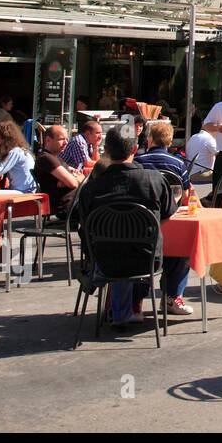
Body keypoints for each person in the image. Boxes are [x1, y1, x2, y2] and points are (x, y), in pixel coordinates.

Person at [74, 122, 193, 323]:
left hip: (103, 260)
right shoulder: (154, 181)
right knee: (180, 248)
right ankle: (170, 296)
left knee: (121, 247)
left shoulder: (90, 188)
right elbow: (168, 214)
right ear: (135, 149)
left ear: (106, 151)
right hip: (146, 260)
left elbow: (83, 225)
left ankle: (124, 306)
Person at [34, 125, 84, 219]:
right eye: (61, 139)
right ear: (48, 140)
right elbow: (73, 183)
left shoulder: (56, 158)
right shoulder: (46, 158)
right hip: (68, 206)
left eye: (67, 139)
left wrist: (67, 179)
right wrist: (71, 178)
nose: (66, 142)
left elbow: (80, 176)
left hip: (76, 202)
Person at [136, 121, 190, 190]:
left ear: (150, 138)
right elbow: (185, 193)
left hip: (143, 200)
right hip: (171, 200)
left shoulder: (137, 162)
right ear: (170, 142)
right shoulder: (179, 164)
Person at [0, 120, 36, 193]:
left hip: (24, 192)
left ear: (4, 139)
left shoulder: (16, 152)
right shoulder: (18, 150)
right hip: (23, 190)